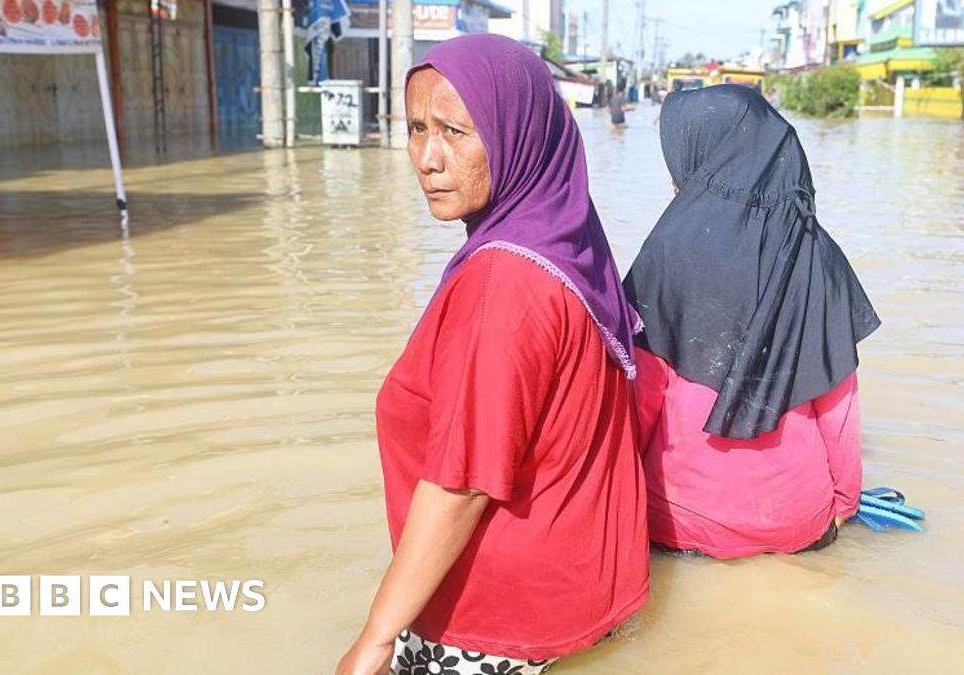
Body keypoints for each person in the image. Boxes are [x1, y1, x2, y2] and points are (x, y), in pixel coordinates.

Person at [336, 34, 648, 675]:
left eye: (455, 131)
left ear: (517, 135)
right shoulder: (567, 238)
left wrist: (376, 636)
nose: (427, 158)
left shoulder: (503, 283)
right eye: (416, 128)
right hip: (585, 592)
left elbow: (462, 481)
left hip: (497, 627)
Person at [623, 84, 882, 559]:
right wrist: (844, 502)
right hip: (797, 521)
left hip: (678, 520)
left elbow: (639, 403)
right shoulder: (813, 252)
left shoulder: (666, 253)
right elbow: (838, 403)